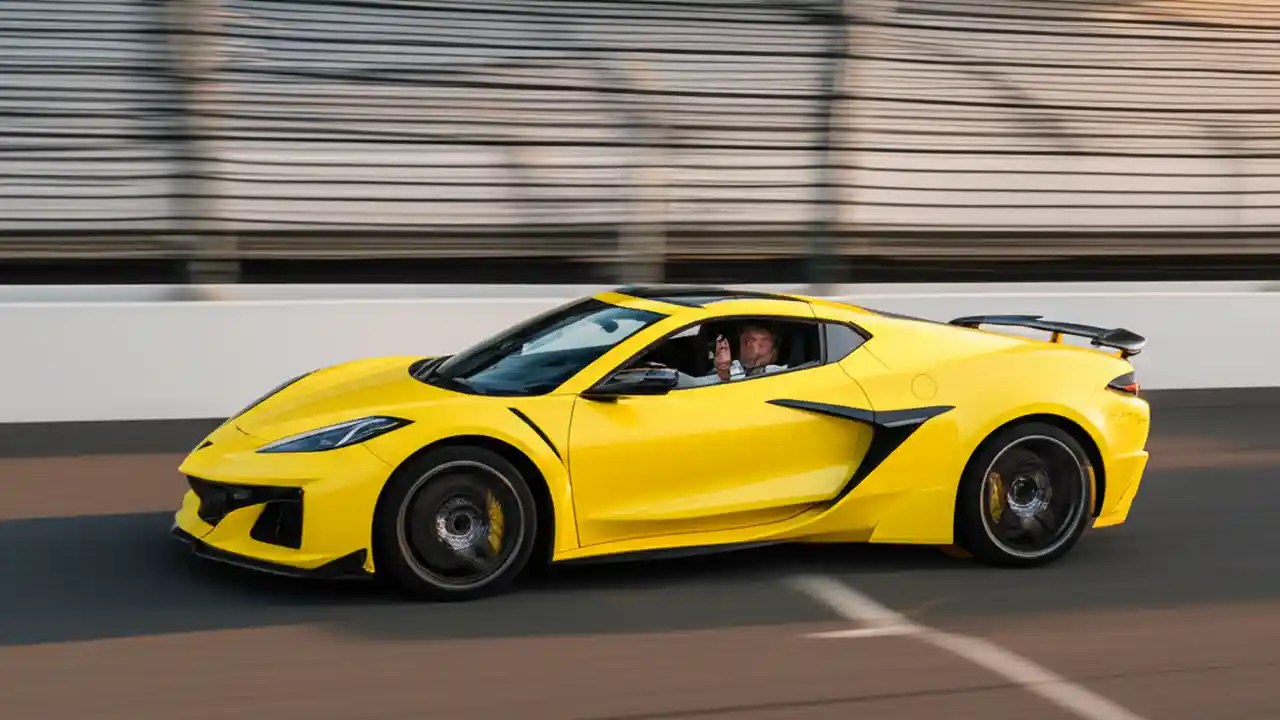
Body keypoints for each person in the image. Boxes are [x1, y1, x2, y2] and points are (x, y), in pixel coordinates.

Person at [678, 323, 789, 387]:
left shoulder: (776, 373)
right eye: (747, 339)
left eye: (761, 342)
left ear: (773, 352)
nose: (752, 342)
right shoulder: (718, 365)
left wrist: (725, 373)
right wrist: (723, 370)